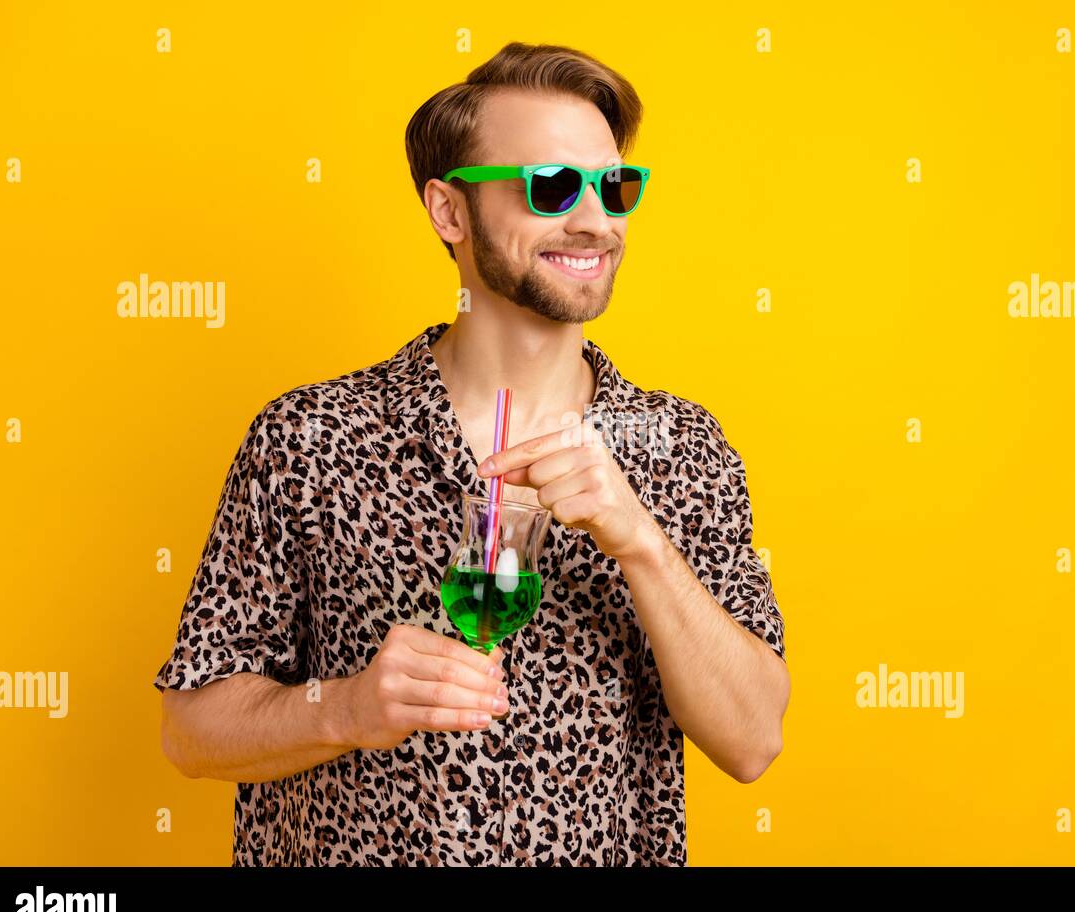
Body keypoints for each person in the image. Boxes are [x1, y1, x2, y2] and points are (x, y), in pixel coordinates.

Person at [154, 41, 789, 866]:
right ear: (450, 212)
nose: (596, 219)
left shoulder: (682, 449)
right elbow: (190, 730)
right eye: (552, 186)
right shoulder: (309, 438)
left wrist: (642, 544)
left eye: (615, 185)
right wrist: (345, 709)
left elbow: (753, 740)